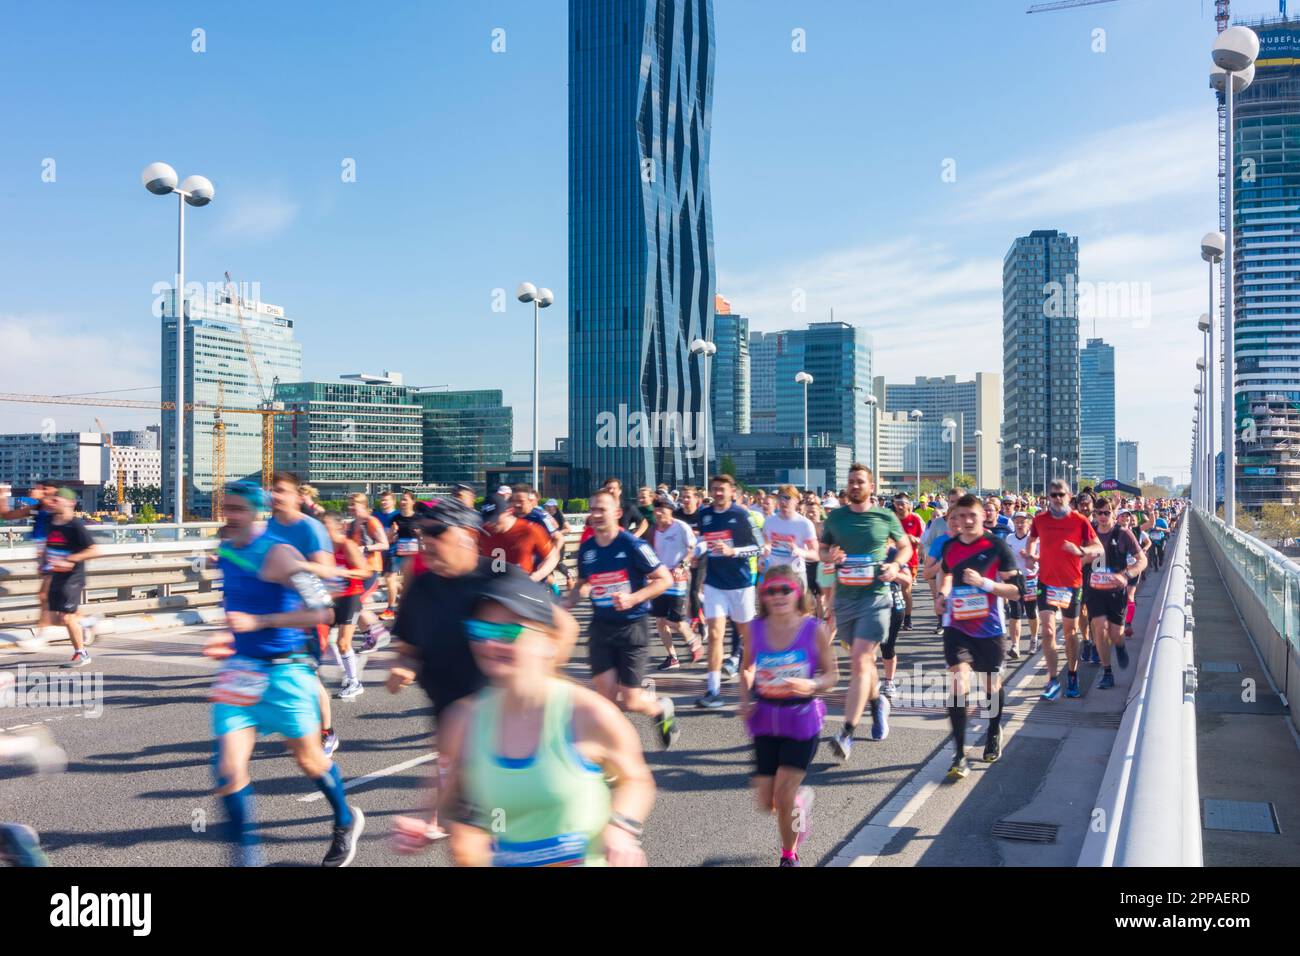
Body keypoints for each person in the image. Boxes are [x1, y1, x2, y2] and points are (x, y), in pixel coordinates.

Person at [386, 499, 580, 851]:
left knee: (503, 838)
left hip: (509, 729)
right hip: (454, 728)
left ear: (466, 535)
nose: (424, 538)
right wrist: (403, 667)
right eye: (420, 531)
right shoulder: (421, 587)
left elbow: (565, 628)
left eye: (435, 531)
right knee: (468, 846)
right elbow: (408, 648)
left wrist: (541, 684)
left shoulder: (501, 576)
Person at [436, 573, 656, 866]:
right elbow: (454, 807)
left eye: (508, 633)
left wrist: (621, 829)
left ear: (548, 641)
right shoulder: (462, 721)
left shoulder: (589, 715)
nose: (489, 643)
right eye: (480, 630)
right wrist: (460, 835)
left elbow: (637, 780)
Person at [207, 481, 363, 867]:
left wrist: (260, 621)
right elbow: (237, 608)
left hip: (285, 673)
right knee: (228, 770)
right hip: (241, 672)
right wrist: (227, 638)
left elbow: (325, 611)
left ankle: (344, 819)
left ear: (256, 511)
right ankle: (248, 859)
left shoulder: (278, 554)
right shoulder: (226, 550)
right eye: (227, 506)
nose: (231, 514)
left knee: (310, 761)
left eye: (239, 508)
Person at [738, 566, 838, 867]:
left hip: (801, 718)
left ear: (798, 594)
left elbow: (831, 674)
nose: (778, 596)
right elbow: (746, 667)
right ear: (762, 596)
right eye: (771, 590)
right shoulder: (754, 629)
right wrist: (745, 697)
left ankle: (789, 855)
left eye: (785, 589)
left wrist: (812, 685)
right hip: (765, 718)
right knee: (766, 802)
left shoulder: (814, 629)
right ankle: (798, 806)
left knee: (783, 796)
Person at [566, 491, 679, 747]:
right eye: (592, 509)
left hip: (632, 628)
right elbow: (584, 585)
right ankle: (610, 751)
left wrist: (634, 598)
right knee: (604, 696)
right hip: (601, 626)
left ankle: (660, 707)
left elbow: (665, 579)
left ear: (617, 514)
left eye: (601, 510)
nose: (594, 515)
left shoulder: (633, 545)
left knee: (631, 701)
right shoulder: (587, 548)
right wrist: (569, 601)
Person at [822, 464, 912, 758]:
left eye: (860, 482)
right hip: (846, 599)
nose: (855, 486)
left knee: (861, 661)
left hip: (876, 597)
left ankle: (846, 732)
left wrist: (896, 565)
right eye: (851, 482)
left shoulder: (884, 517)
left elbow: (905, 547)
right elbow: (822, 551)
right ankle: (877, 704)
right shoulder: (836, 517)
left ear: (871, 487)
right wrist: (829, 555)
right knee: (865, 665)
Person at [935, 494, 1021, 779]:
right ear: (955, 519)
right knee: (959, 683)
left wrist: (984, 583)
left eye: (972, 515)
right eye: (960, 516)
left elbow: (1016, 590)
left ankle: (993, 728)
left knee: (990, 686)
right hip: (957, 627)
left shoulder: (997, 546)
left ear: (983, 516)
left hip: (990, 629)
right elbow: (946, 574)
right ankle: (959, 754)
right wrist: (942, 593)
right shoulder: (949, 546)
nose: (966, 521)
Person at [264, 471, 344, 757]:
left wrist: (297, 572)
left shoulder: (311, 529)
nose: (275, 495)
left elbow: (328, 575)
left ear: (298, 497)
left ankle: (326, 732)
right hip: (276, 613)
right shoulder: (268, 527)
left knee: (308, 676)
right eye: (273, 490)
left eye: (282, 490)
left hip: (308, 615)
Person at [1026, 480, 1103, 701]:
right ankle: (1052, 680)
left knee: (1070, 633)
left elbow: (1098, 547)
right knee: (1048, 631)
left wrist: (1080, 550)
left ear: (1069, 496)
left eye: (1061, 494)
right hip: (1046, 583)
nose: (1057, 498)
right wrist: (1030, 555)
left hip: (1072, 584)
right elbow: (1031, 540)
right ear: (1048, 496)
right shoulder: (1040, 519)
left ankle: (1071, 674)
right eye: (1053, 495)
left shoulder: (1079, 521)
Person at [695, 474, 764, 709]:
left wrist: (733, 552)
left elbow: (759, 547)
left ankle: (757, 679)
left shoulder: (742, 515)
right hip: (715, 583)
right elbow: (702, 540)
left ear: (732, 492)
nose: (717, 493)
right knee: (715, 635)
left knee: (748, 635)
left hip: (741, 584)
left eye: (722, 490)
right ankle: (713, 690)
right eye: (714, 489)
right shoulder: (704, 515)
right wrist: (696, 554)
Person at [1086, 498, 1143, 689]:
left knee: (1116, 633)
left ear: (1113, 513)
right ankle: (1107, 672)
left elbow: (1141, 560)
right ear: (1094, 514)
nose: (1102, 517)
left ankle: (1119, 646)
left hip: (1116, 592)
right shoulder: (1089, 533)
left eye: (1106, 513)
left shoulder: (1123, 534)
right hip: (1094, 591)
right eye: (1098, 513)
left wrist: (1126, 575)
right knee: (1100, 628)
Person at [41, 489, 100, 668]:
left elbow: (95, 550)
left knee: (66, 618)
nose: (53, 502)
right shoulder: (51, 522)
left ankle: (81, 653)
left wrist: (70, 559)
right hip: (55, 575)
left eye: (56, 500)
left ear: (70, 502)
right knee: (51, 619)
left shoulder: (75, 525)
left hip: (72, 578)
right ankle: (86, 623)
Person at [319, 512, 372, 700]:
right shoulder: (323, 548)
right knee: (325, 641)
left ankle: (354, 682)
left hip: (351, 596)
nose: (322, 531)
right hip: (333, 597)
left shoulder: (346, 545)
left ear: (338, 527)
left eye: (325, 527)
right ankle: (348, 670)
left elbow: (366, 572)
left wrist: (342, 573)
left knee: (343, 642)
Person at [648, 497, 703, 670]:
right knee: (660, 621)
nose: (658, 514)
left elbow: (693, 548)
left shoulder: (681, 527)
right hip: (661, 580)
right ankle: (672, 657)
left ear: (670, 511)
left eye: (662, 511)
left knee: (675, 621)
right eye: (656, 511)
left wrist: (682, 565)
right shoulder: (653, 531)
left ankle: (694, 640)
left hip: (679, 579)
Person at [347, 494, 393, 654]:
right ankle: (371, 637)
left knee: (356, 603)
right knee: (354, 605)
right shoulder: (352, 525)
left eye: (354, 504)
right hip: (357, 570)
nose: (350, 507)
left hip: (371, 569)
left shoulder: (371, 521)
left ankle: (378, 633)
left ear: (363, 505)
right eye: (349, 504)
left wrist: (365, 548)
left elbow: (385, 544)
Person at [479, 493, 558, 582]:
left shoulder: (530, 530)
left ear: (509, 512)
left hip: (521, 587)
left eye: (495, 519)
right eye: (487, 519)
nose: (490, 524)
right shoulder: (483, 532)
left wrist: (536, 577)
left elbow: (552, 557)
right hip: (493, 587)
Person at [760, 485, 819, 586]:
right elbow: (766, 546)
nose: (783, 501)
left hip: (795, 574)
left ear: (796, 500)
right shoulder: (769, 522)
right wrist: (763, 556)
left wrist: (798, 551)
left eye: (787, 498)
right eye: (780, 497)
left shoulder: (804, 524)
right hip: (774, 574)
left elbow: (816, 555)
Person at [1005, 511, 1039, 659]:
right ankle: (1015, 645)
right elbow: (1006, 557)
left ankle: (1033, 638)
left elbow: (1042, 558)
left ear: (1029, 523)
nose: (1019, 524)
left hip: (1031, 579)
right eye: (1017, 521)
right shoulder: (1009, 538)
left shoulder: (1035, 539)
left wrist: (1030, 556)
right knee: (1015, 612)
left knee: (1031, 612)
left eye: (1022, 521)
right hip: (1015, 579)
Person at [892, 493, 925, 631]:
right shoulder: (891, 520)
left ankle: (908, 618)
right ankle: (892, 618)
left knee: (906, 591)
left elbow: (922, 540)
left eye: (902, 503)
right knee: (891, 592)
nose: (899, 506)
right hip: (892, 560)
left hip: (911, 560)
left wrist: (913, 539)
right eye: (897, 503)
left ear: (908, 505)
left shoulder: (915, 520)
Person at [374, 492, 401, 620]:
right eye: (382, 500)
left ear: (393, 502)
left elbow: (396, 535)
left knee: (390, 579)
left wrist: (392, 535)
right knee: (390, 581)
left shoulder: (397, 516)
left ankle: (390, 609)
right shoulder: (376, 515)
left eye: (386, 500)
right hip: (381, 552)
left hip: (393, 551)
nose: (383, 503)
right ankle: (408, 594)